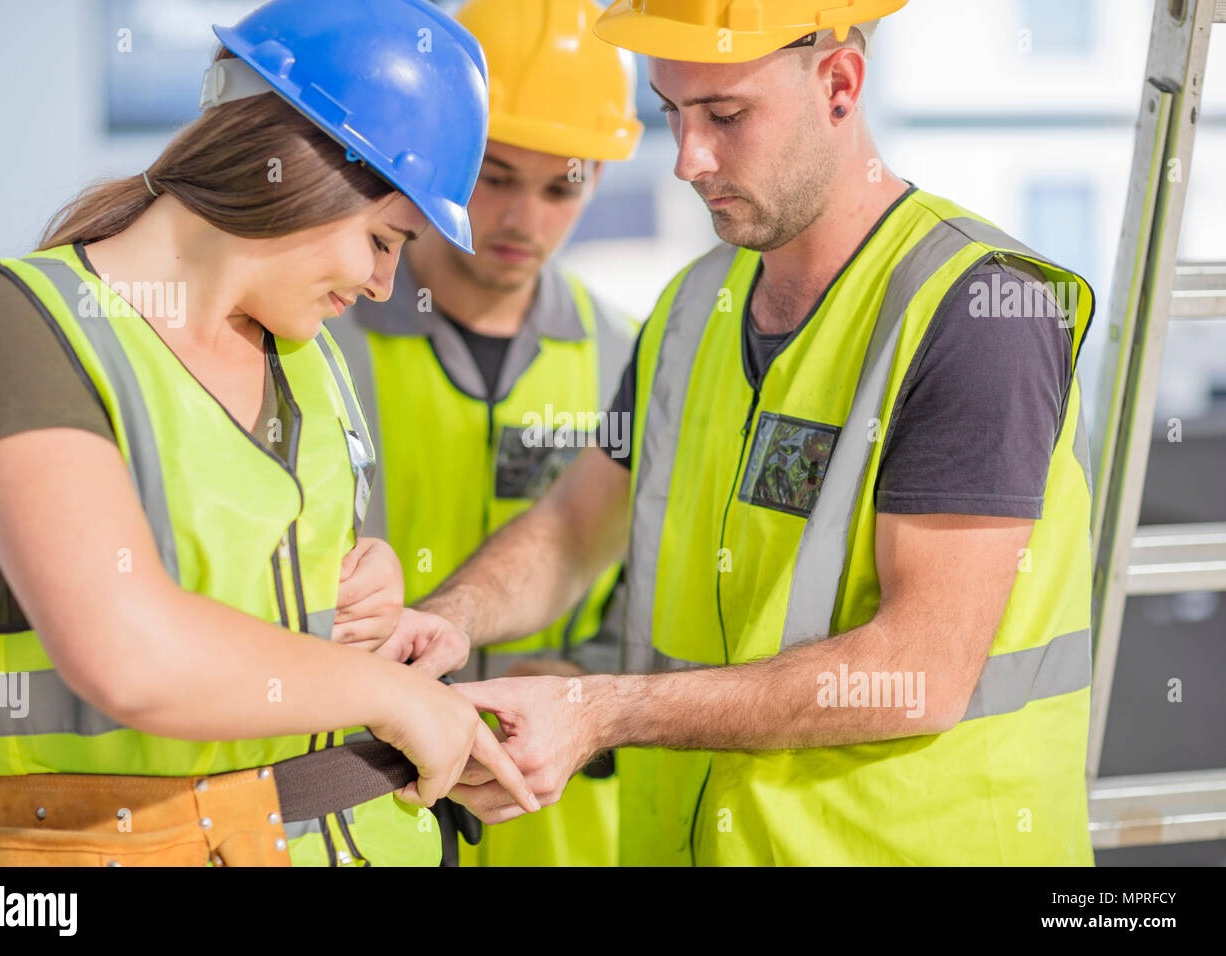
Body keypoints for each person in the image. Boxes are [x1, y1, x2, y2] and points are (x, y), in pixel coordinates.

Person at [391, 0, 1099, 865]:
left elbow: (920, 670)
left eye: (726, 115)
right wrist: (448, 619)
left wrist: (604, 713)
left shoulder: (983, 310)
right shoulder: (693, 308)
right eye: (672, 114)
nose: (689, 159)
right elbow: (577, 527)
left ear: (839, 84)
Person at [0, 0, 535, 869]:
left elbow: (267, 622)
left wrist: (374, 617)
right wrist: (394, 699)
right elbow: (124, 652)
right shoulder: (11, 319)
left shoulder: (312, 357)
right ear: (300, 167)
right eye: (382, 240)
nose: (381, 284)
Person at [327, 0, 641, 868]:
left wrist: (581, 691)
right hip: (361, 805)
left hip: (560, 824)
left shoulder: (631, 355)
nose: (523, 220)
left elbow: (658, 592)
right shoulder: (317, 340)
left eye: (562, 186)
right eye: (495, 176)